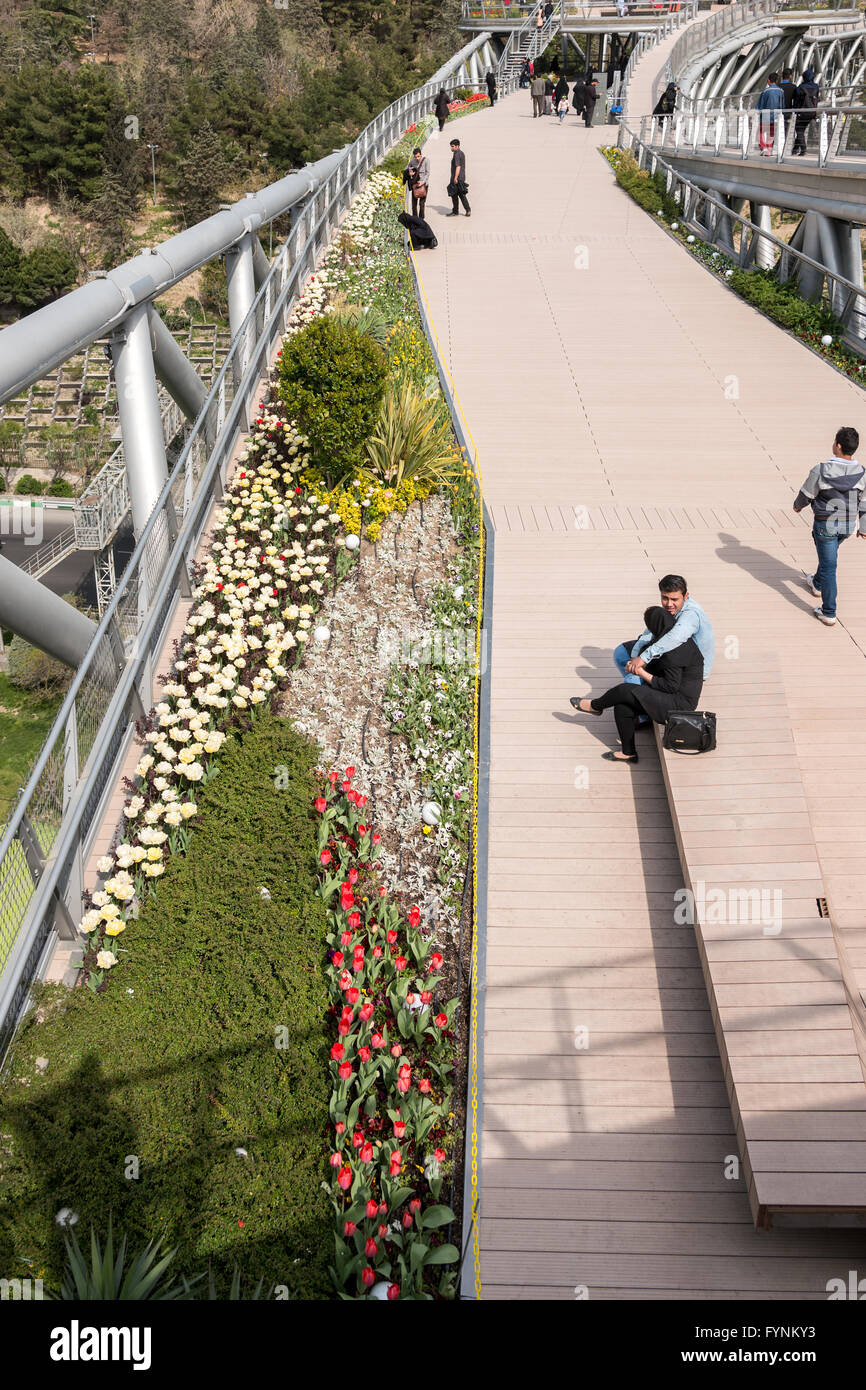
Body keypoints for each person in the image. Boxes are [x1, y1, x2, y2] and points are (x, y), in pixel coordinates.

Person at [571, 607, 704, 763]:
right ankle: (628, 752)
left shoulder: (675, 650)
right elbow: (659, 666)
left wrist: (640, 672)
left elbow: (670, 686)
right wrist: (637, 665)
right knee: (622, 704)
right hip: (671, 694)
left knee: (625, 690)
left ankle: (596, 705)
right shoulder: (671, 639)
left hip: (679, 704)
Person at [793, 426, 865, 625]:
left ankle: (829, 611)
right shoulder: (862, 473)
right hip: (848, 526)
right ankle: (816, 583)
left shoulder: (821, 470)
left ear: (838, 446)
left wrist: (797, 506)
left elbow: (806, 494)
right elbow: (865, 503)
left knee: (829, 565)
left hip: (826, 525)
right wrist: (863, 527)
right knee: (828, 557)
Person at [615, 575, 715, 695]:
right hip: (669, 652)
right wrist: (634, 657)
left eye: (674, 599)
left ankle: (645, 699)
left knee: (632, 680)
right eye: (665, 598)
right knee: (621, 653)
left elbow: (674, 638)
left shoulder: (691, 615)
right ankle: (647, 687)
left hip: (686, 665)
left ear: (686, 596)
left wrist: (642, 659)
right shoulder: (673, 607)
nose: (669, 604)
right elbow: (650, 631)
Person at [792, 67, 819, 155]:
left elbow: (796, 100)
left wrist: (794, 110)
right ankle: (795, 149)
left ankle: (803, 149)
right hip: (812, 112)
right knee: (801, 130)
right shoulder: (816, 87)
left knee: (799, 130)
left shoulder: (801, 87)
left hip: (802, 112)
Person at [756, 72, 784, 155]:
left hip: (765, 115)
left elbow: (760, 105)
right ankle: (769, 149)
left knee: (760, 132)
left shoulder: (766, 91)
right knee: (771, 133)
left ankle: (763, 147)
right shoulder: (781, 91)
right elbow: (782, 104)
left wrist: (758, 113)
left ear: (768, 80)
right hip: (776, 115)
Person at [446, 137, 471, 217]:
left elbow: (458, 166)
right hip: (461, 177)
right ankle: (466, 210)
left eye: (452, 146)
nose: (451, 148)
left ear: (457, 146)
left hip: (457, 178)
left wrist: (455, 178)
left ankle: (457, 211)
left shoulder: (457, 154)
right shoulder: (461, 153)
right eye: (451, 146)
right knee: (459, 194)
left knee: (456, 194)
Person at [404, 146, 429, 219]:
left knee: (422, 204)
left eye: (418, 156)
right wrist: (410, 172)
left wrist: (422, 182)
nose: (417, 158)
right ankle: (415, 219)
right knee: (414, 204)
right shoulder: (412, 161)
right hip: (415, 185)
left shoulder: (426, 160)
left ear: (421, 154)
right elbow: (407, 169)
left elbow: (427, 173)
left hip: (424, 185)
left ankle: (421, 220)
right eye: (416, 157)